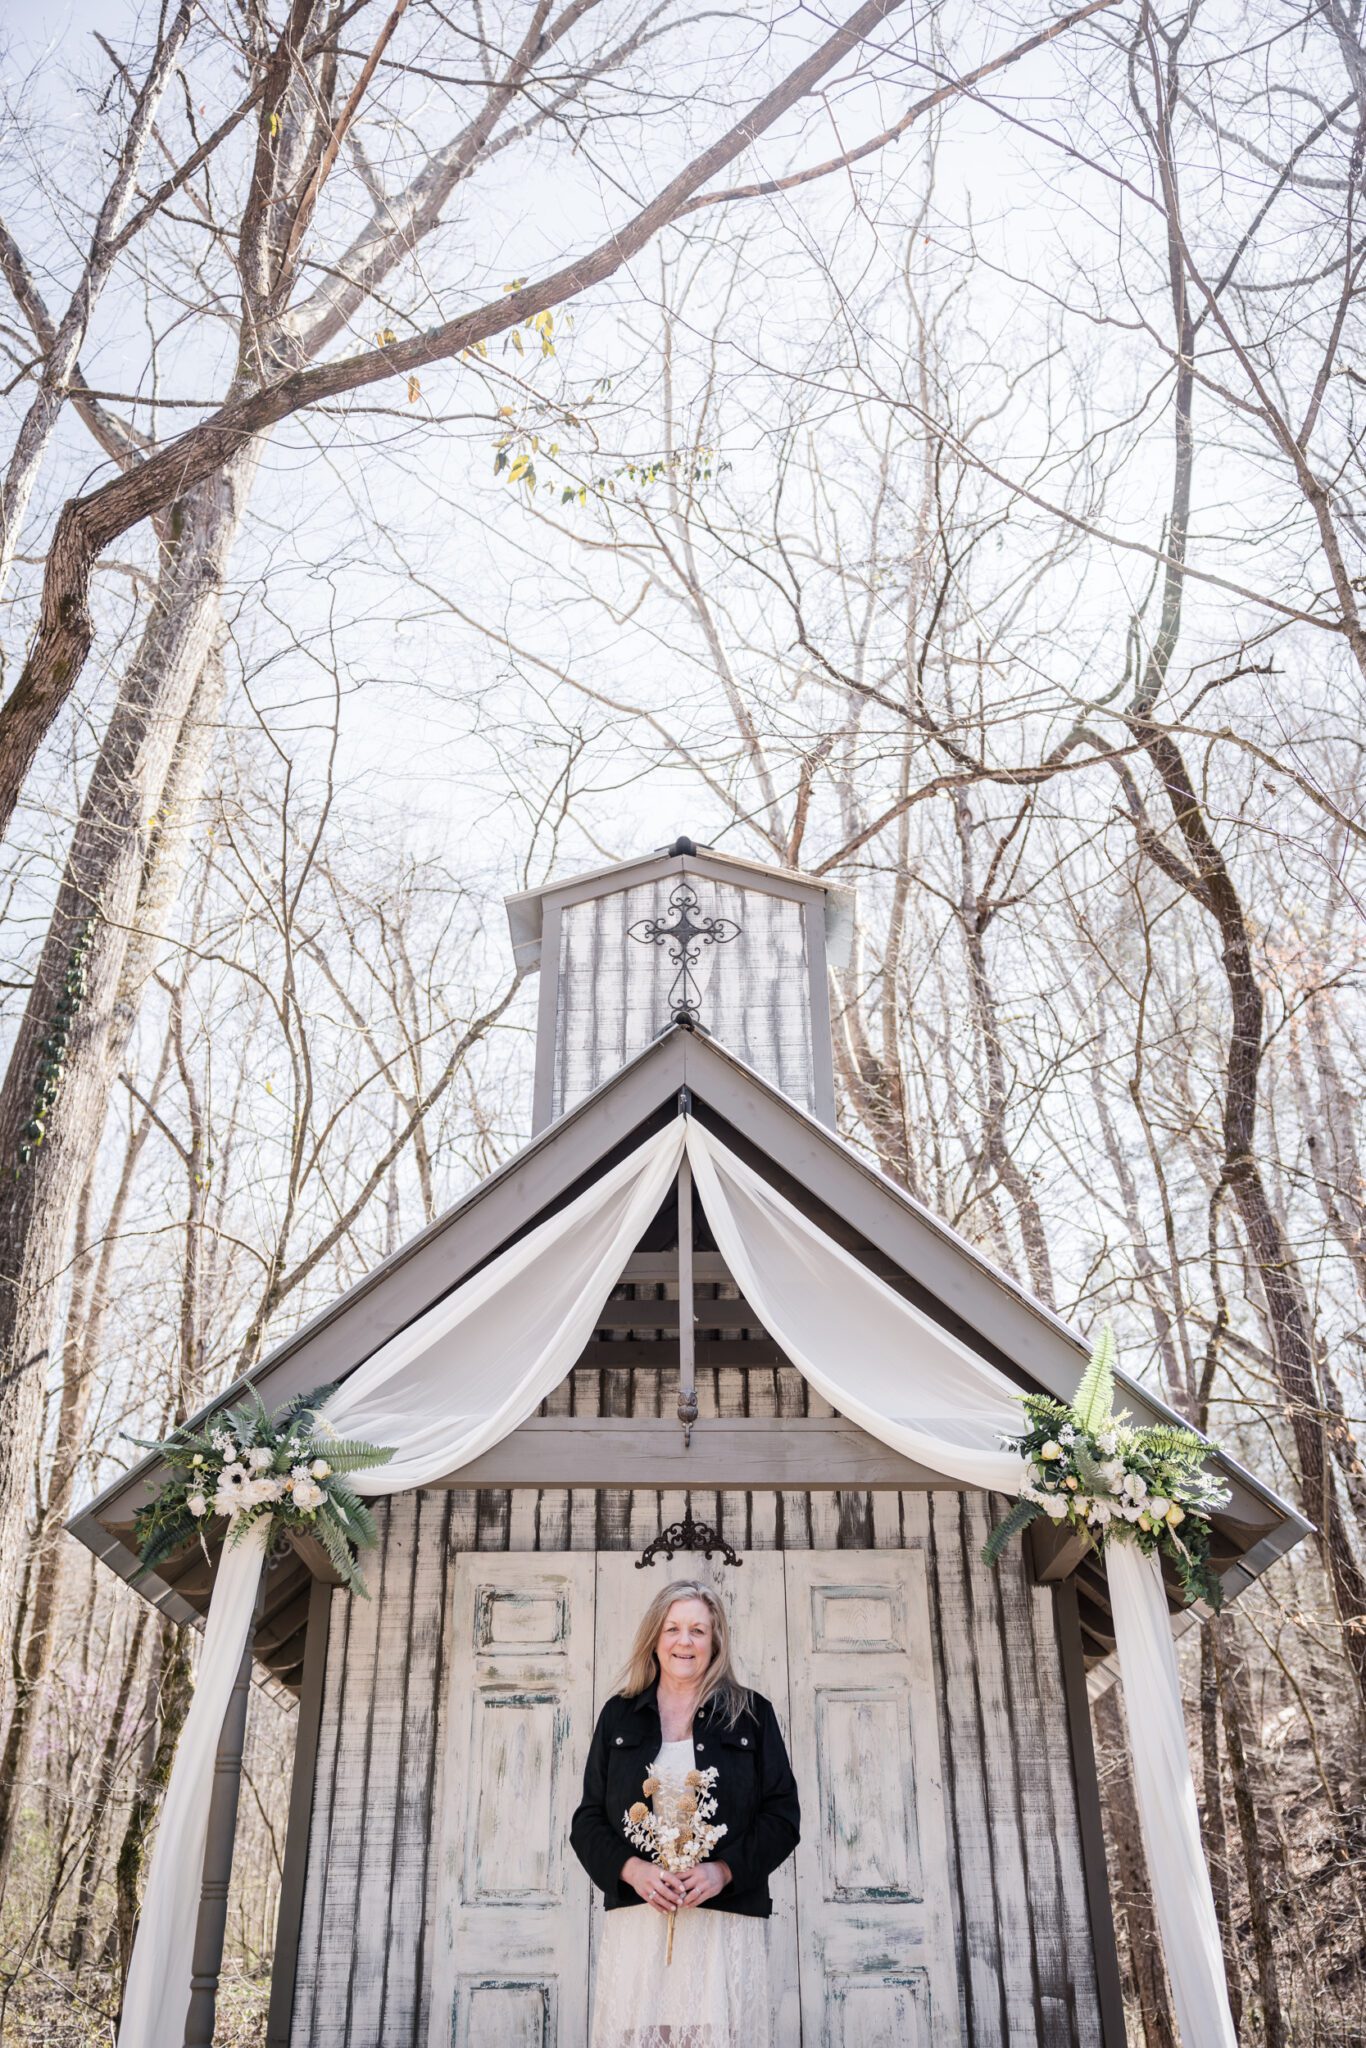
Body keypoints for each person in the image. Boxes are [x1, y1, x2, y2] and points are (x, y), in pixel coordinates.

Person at [570, 1578, 800, 2048]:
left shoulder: (751, 1714)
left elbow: (783, 1815)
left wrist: (723, 1871)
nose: (685, 1641)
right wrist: (632, 1871)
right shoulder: (619, 1715)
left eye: (698, 1630)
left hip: (724, 1921)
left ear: (715, 1641)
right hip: (641, 1920)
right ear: (655, 1637)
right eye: (673, 1628)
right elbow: (588, 1819)